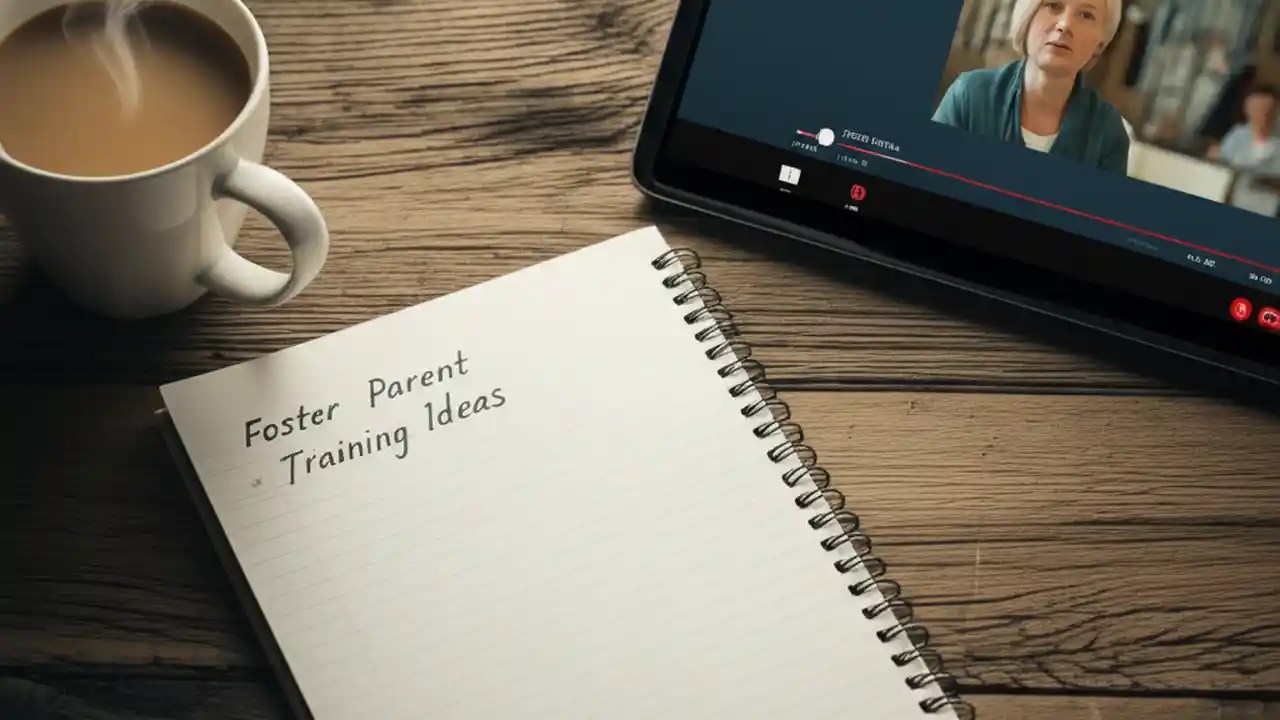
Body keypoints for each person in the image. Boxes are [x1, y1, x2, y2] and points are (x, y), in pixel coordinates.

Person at [933, 0, 1131, 174]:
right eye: (1053, 6)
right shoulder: (969, 95)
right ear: (1028, 17)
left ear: (1100, 43)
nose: (1064, 25)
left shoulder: (1108, 134)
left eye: (1086, 15)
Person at [1212, 83, 1280, 218]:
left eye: (1267, 109)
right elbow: (1220, 167)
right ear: (1247, 108)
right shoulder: (1236, 135)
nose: (1262, 114)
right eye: (1256, 108)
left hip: (1269, 211)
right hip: (1233, 204)